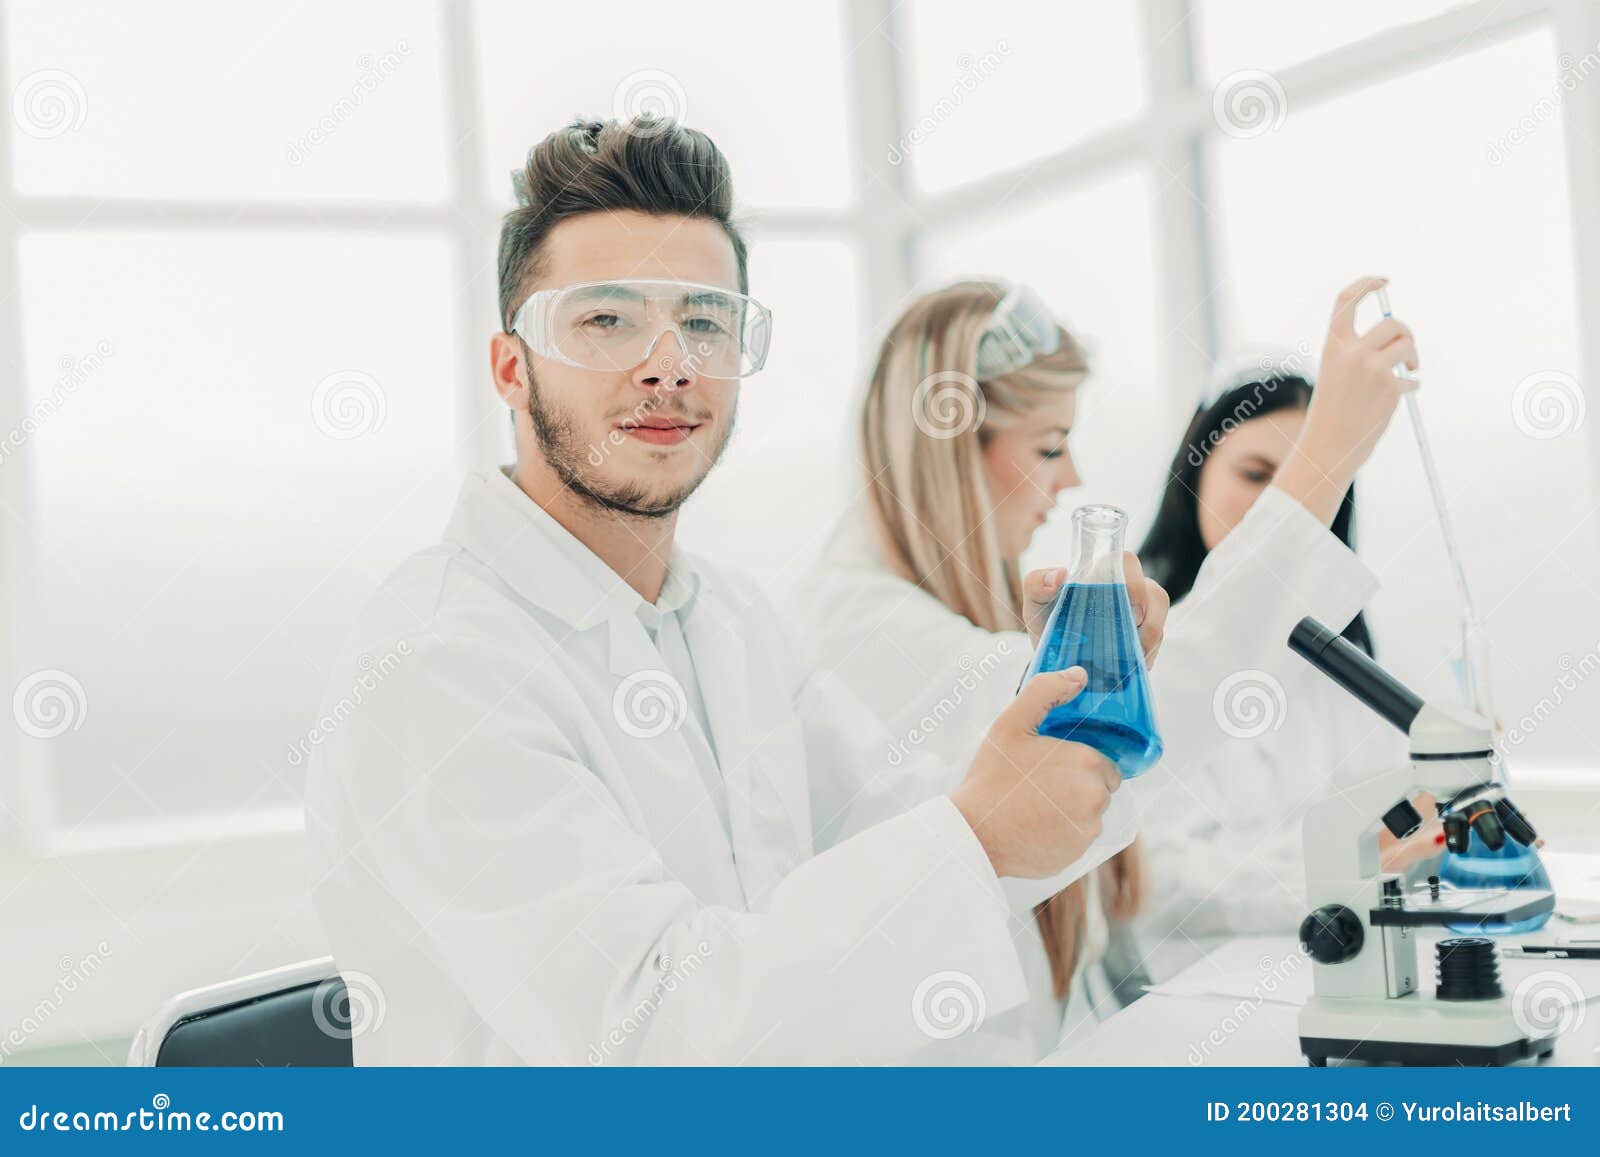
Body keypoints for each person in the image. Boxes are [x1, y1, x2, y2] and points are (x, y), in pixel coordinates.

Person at [302, 117, 1166, 1066]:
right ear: (512, 368)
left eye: (705, 321)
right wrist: (976, 836)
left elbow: (926, 836)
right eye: (605, 319)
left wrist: (1086, 701)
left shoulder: (733, 620)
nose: (668, 362)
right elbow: (654, 1032)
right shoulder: (437, 663)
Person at [798, 274, 1435, 1017]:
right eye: (1048, 445)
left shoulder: (975, 610)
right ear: (948, 445)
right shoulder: (855, 621)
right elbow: (1122, 732)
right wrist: (1324, 457)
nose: (1071, 476)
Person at [1131, 366, 1443, 975]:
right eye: (1255, 476)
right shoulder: (1136, 645)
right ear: (1195, 474)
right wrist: (1334, 870)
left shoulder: (1354, 652)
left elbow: (1398, 815)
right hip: (1190, 989)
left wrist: (1428, 825)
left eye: (1309, 485)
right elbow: (1148, 877)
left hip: (1345, 966)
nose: (1279, 508)